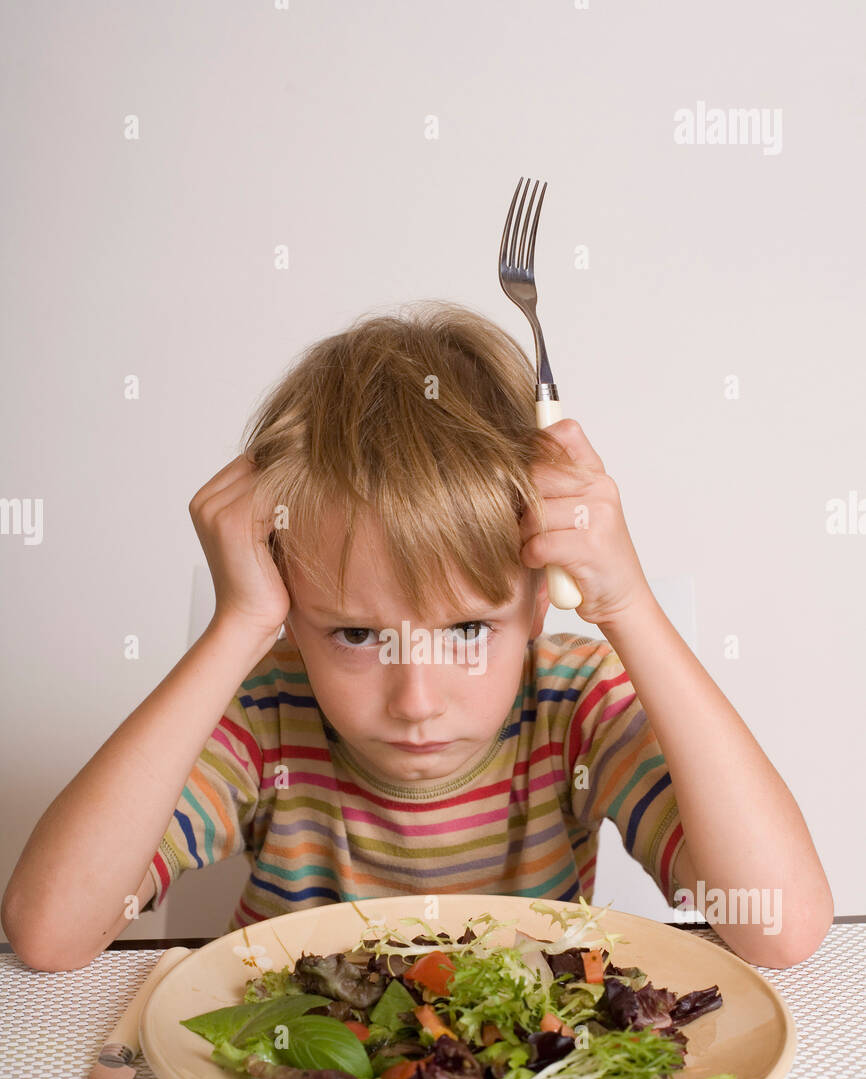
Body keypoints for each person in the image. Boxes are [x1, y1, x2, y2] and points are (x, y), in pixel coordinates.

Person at [1, 302, 833, 971]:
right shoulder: (269, 713)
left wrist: (632, 610)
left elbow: (782, 929)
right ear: (292, 610)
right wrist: (238, 626)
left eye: (469, 628)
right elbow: (49, 933)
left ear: (541, 601)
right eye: (357, 634)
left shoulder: (571, 703)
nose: (417, 701)